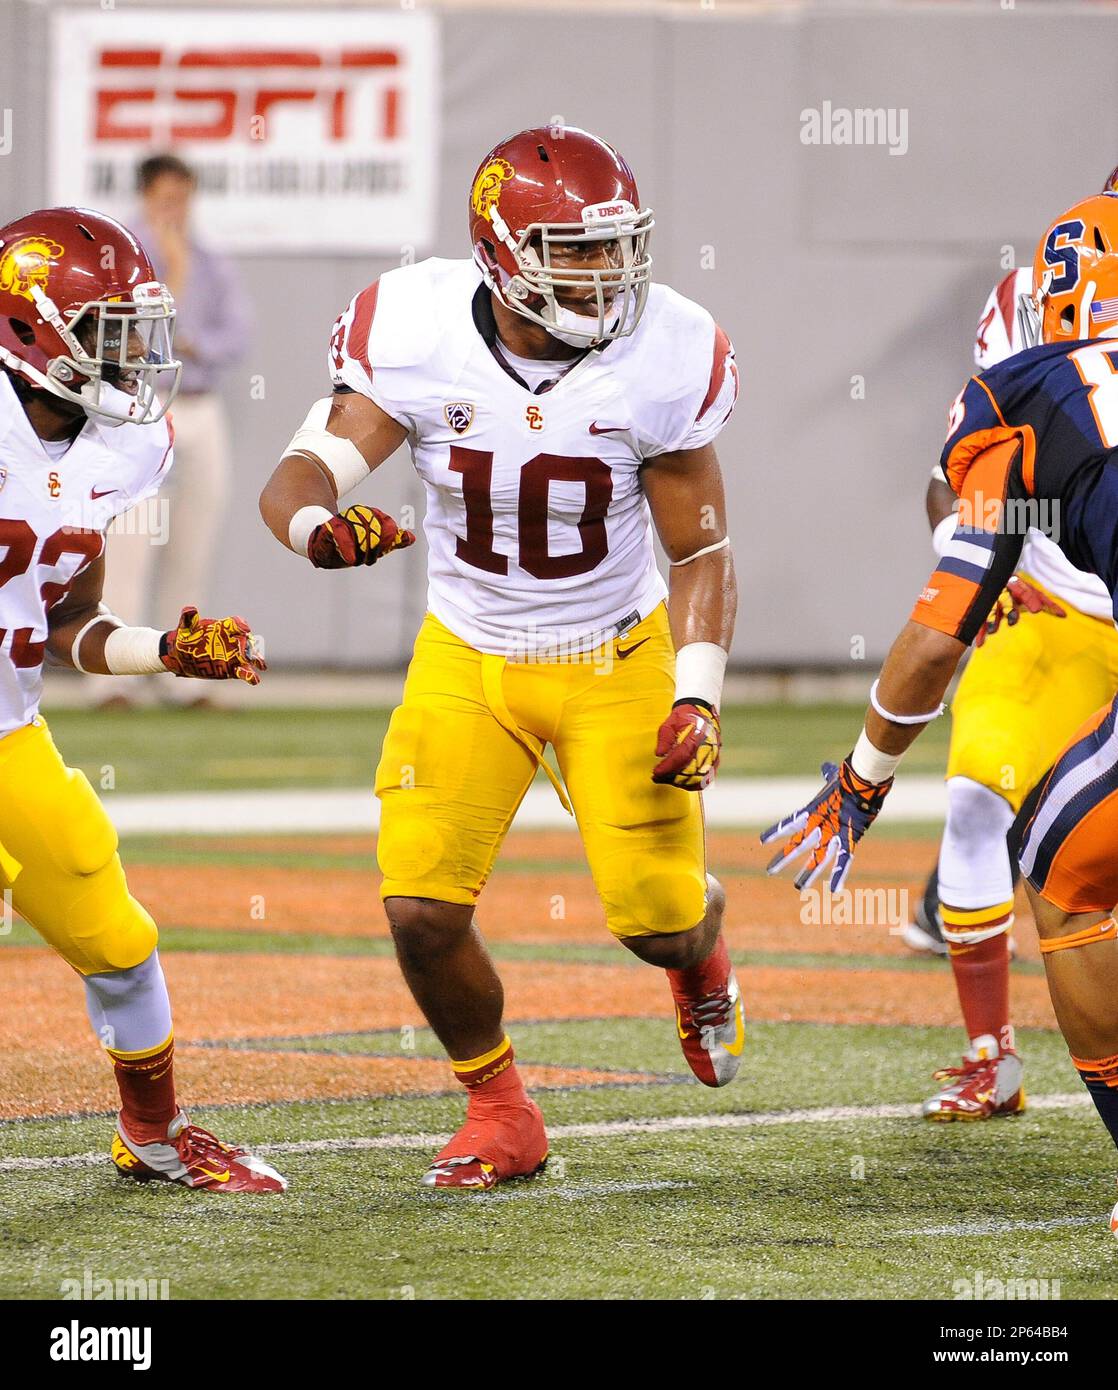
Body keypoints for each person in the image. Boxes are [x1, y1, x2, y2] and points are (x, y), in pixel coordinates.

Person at [260, 125, 743, 1190]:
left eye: (617, 245)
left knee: (655, 924)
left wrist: (698, 698)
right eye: (575, 249)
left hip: (614, 654)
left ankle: (700, 945)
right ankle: (501, 1107)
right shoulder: (416, 325)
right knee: (419, 909)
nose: (606, 271)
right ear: (500, 251)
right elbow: (299, 477)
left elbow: (701, 549)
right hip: (467, 650)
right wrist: (319, 532)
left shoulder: (665, 349)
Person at [764, 191, 1118, 1237]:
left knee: (1066, 873)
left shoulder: (1026, 391)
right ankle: (987, 1053)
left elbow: (933, 637)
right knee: (1013, 814)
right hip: (1059, 608)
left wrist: (860, 779)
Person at [0, 205, 282, 1191]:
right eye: (108, 332)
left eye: (135, 333)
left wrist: (164, 650)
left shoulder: (120, 446)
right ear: (30, 327)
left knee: (120, 940)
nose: (133, 357)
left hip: (9, 733)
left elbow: (69, 620)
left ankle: (153, 1132)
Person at [907, 164, 1118, 1123]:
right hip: (1053, 600)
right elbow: (949, 475)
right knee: (976, 802)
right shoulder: (1026, 303)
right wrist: (972, 563)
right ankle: (990, 1054)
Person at [92, 152, 251, 708]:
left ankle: (183, 672)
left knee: (192, 543)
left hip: (200, 405)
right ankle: (114, 678)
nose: (175, 209)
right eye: (165, 198)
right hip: (138, 407)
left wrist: (189, 339)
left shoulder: (212, 259)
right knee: (130, 545)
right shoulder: (121, 259)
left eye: (183, 198)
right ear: (145, 196)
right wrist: (174, 280)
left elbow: (236, 338)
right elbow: (132, 342)